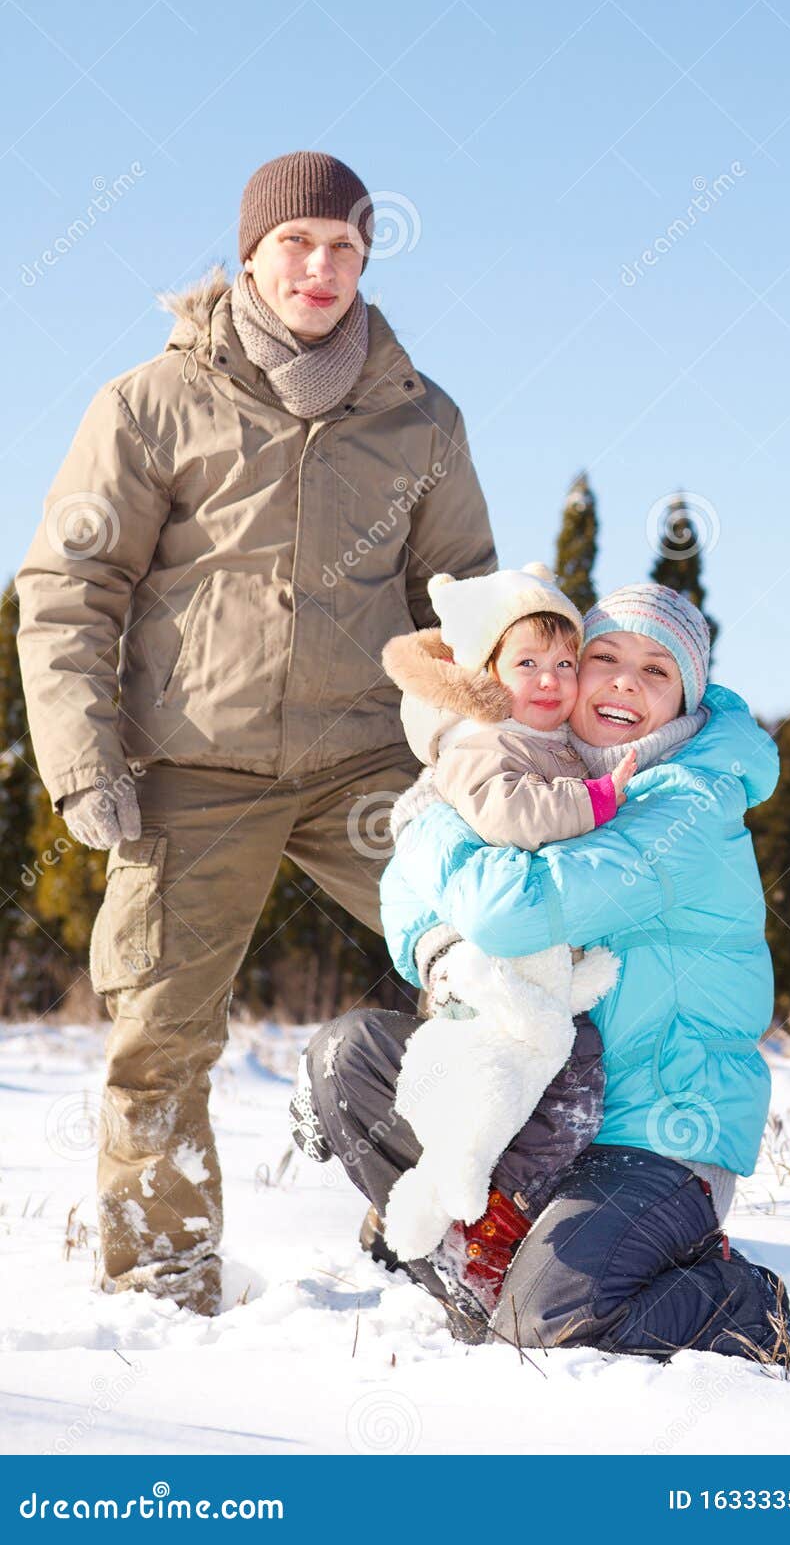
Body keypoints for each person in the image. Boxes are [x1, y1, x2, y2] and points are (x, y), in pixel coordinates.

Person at [15, 150, 496, 1316]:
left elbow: (467, 602)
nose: (321, 267)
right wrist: (84, 760)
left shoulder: (417, 418)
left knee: (490, 967)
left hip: (367, 762)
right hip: (193, 769)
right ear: (248, 257)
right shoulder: (151, 402)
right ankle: (162, 1281)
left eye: (344, 248)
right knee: (160, 1033)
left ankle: (456, 1223)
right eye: (298, 244)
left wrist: (499, 775)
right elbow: (72, 583)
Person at [303, 584, 790, 1360]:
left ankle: (740, 1302)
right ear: (567, 673)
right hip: (531, 1106)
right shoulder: (537, 765)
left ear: (686, 698)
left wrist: (429, 818)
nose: (626, 681)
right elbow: (401, 891)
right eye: (605, 658)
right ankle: (474, 1273)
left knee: (548, 1326)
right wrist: (443, 949)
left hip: (654, 1138)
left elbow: (509, 911)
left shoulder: (685, 806)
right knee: (351, 1052)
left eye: (657, 670)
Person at [366, 561, 635, 1264]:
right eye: (527, 664)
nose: (550, 680)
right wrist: (596, 803)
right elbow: (510, 815)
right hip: (489, 973)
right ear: (485, 673)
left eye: (564, 662)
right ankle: (472, 1212)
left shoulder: (549, 745)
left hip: (535, 969)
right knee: (510, 1081)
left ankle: (483, 1211)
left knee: (543, 1077)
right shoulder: (475, 744)